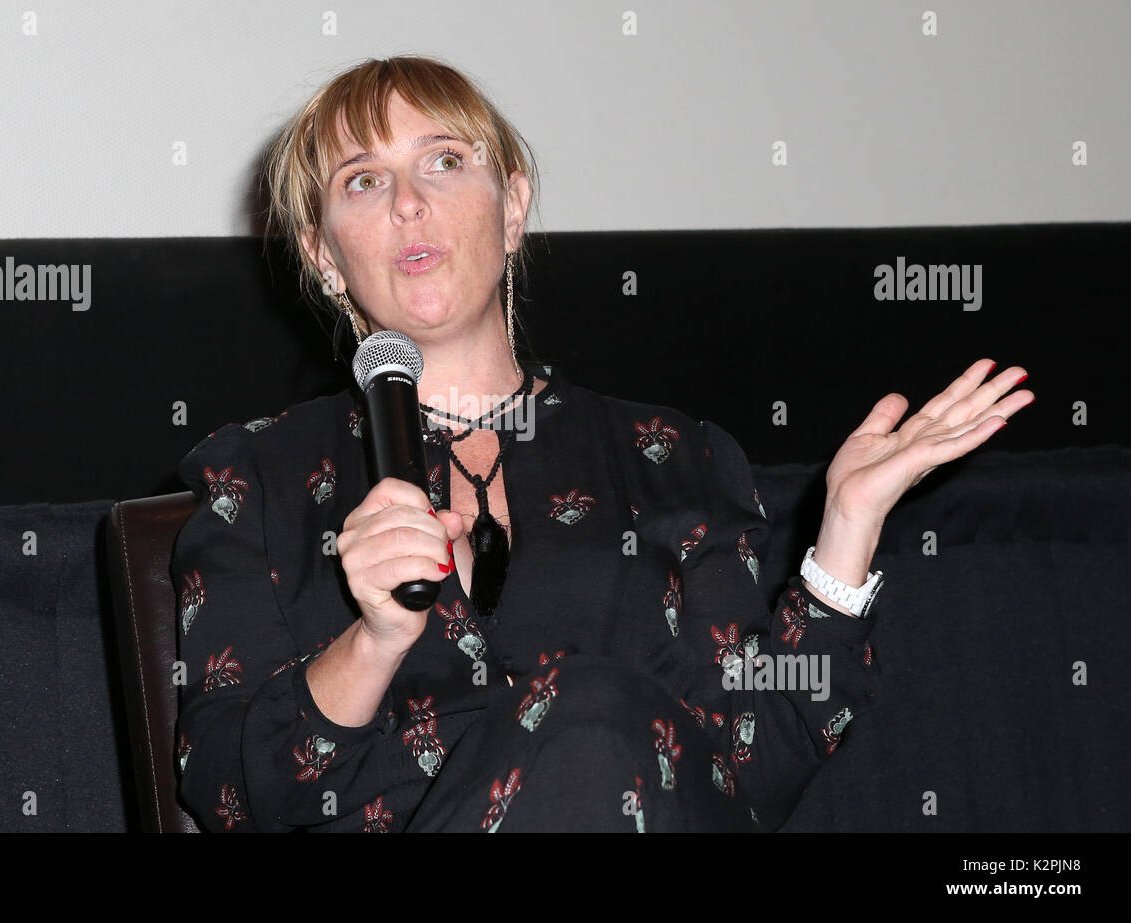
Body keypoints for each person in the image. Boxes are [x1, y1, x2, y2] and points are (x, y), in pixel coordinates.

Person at [170, 55, 1033, 833]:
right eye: (363, 181)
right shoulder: (257, 475)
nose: (408, 203)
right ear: (324, 255)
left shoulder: (671, 454)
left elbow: (754, 766)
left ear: (511, 210)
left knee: (592, 708)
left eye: (443, 161)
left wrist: (843, 533)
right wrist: (375, 642)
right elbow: (228, 792)